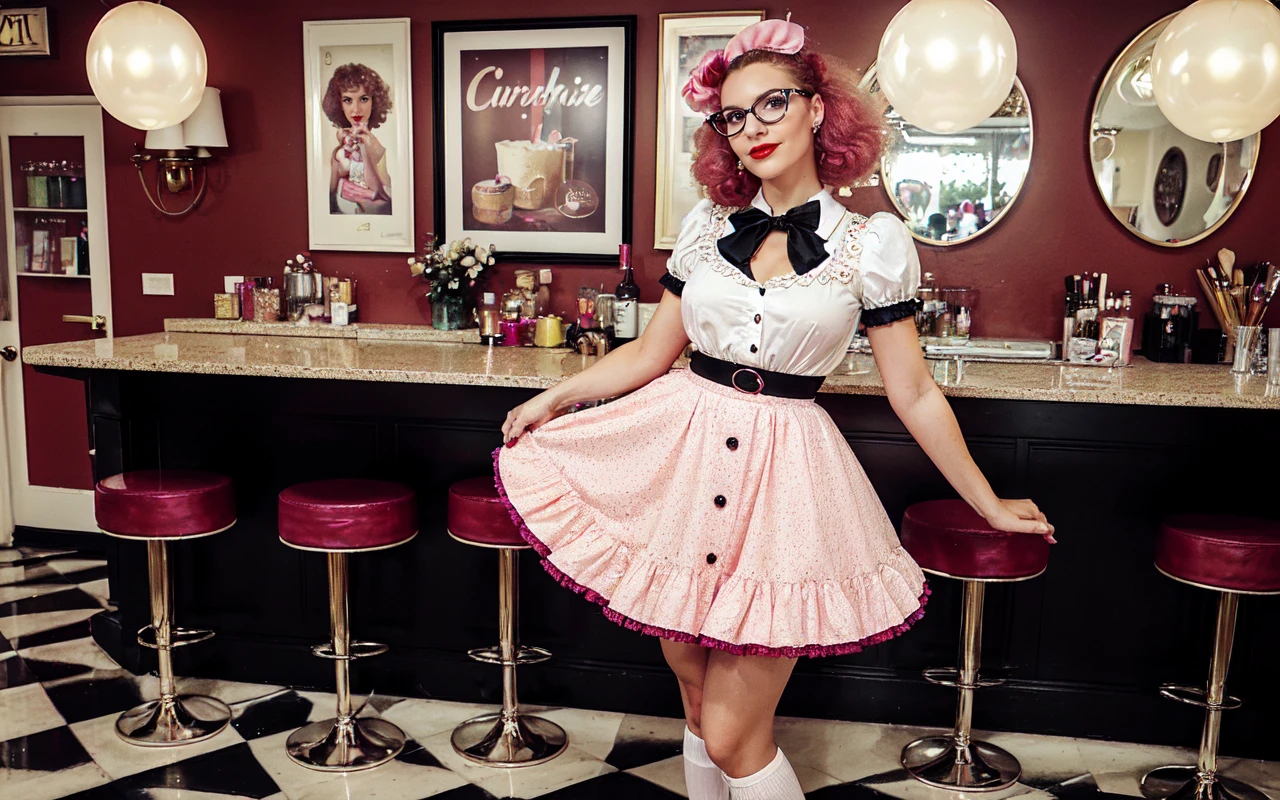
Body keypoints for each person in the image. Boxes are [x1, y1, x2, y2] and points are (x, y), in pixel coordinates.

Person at [494, 18, 1053, 800]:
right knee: (694, 703)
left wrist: (989, 502)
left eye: (772, 104)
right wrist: (555, 397)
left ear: (818, 109)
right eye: (733, 115)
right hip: (681, 466)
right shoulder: (704, 229)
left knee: (732, 734)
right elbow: (652, 354)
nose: (751, 128)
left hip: (785, 485)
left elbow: (914, 389)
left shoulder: (873, 243)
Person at [322, 63, 393, 215]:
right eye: (348, 100)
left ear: (374, 101)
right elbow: (330, 195)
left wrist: (365, 151)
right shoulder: (339, 147)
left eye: (363, 99)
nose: (356, 109)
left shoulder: (380, 146)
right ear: (339, 104)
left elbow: (382, 195)